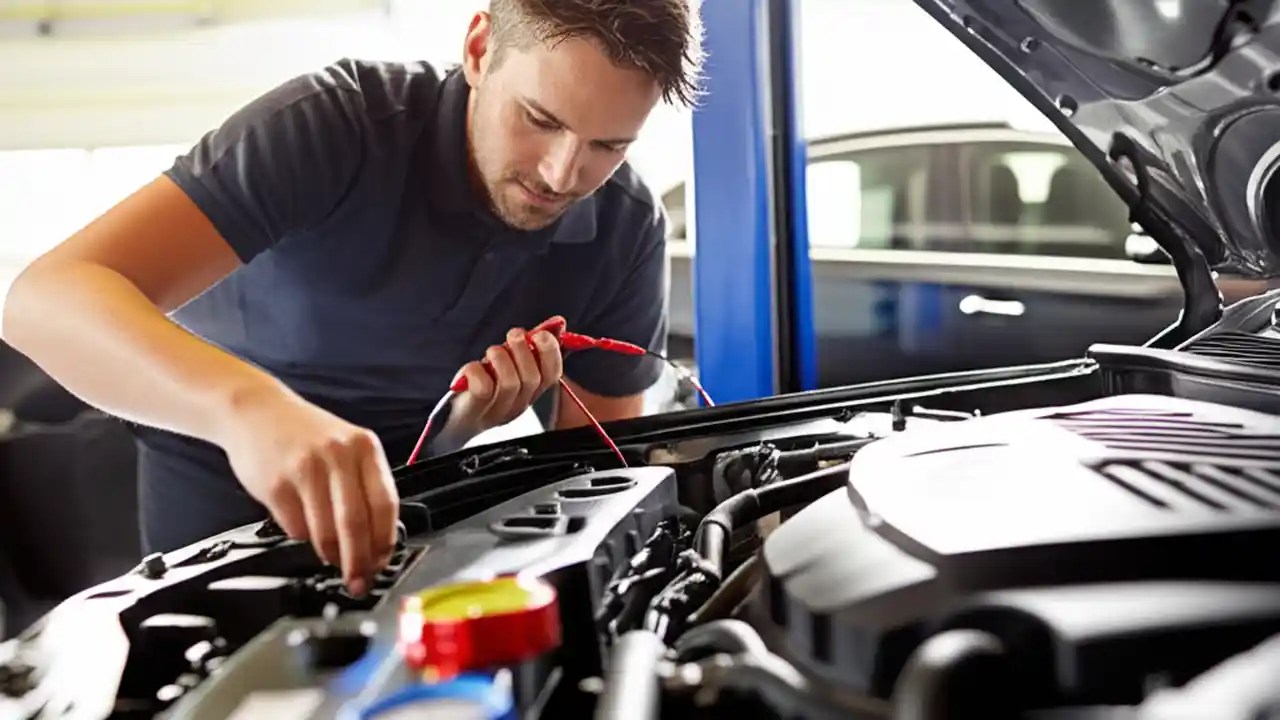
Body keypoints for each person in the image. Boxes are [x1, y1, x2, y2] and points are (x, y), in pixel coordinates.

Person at [0, 0, 704, 597]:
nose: (561, 174)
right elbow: (41, 301)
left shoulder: (625, 228)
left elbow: (600, 481)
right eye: (540, 119)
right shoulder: (335, 126)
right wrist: (250, 410)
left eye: (608, 145)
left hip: (419, 476)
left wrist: (456, 428)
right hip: (217, 448)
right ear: (480, 49)